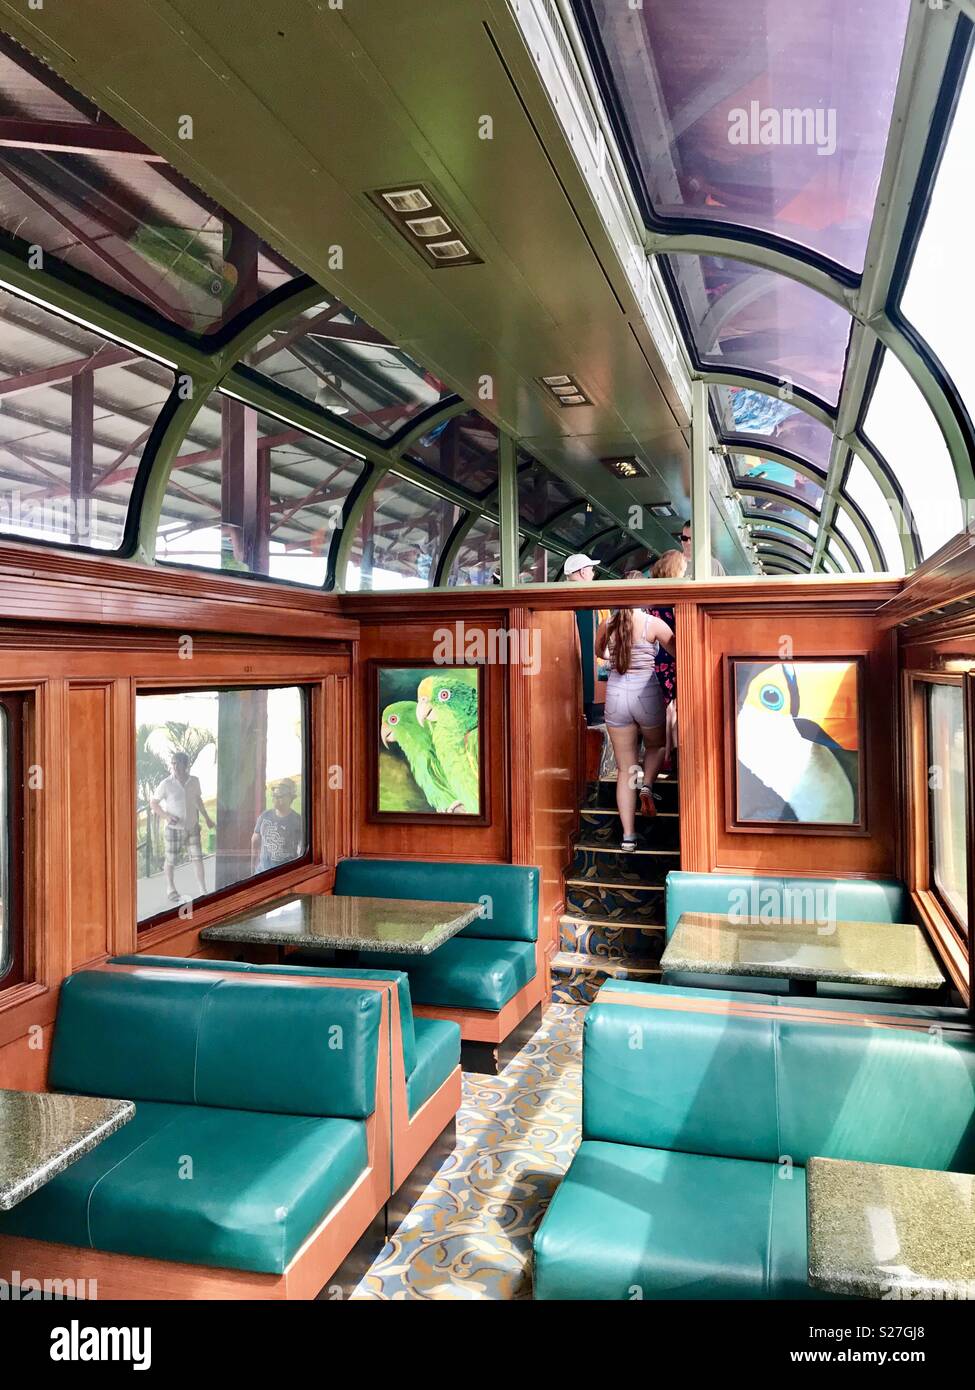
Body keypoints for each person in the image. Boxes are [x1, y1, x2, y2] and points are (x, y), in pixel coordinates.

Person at [595, 607, 676, 850]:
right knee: (656, 745)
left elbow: (599, 652)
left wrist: (615, 656)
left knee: (625, 770)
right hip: (646, 693)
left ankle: (628, 837)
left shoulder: (607, 624)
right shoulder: (654, 624)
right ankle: (647, 786)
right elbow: (681, 653)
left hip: (616, 695)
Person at [150, 751, 213, 903]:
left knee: (197, 858)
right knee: (170, 860)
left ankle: (203, 889)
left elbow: (198, 800)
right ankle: (170, 888)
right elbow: (154, 803)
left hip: (192, 827)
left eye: (178, 763)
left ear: (186, 765)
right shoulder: (166, 784)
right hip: (173, 830)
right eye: (173, 763)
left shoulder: (194, 781)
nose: (175, 766)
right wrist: (166, 816)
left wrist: (207, 818)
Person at [648, 549, 687, 768]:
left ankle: (665, 753)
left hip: (656, 657)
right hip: (674, 656)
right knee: (675, 705)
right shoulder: (676, 597)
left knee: (665, 705)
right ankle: (672, 753)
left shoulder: (652, 597)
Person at [251, 779, 303, 873]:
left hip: (285, 874)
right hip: (262, 872)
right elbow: (255, 840)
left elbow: (302, 848)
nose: (275, 798)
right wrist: (253, 867)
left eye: (280, 796)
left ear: (290, 797)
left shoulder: (298, 821)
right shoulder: (264, 816)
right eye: (275, 795)